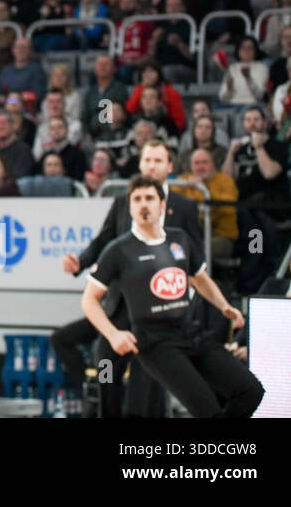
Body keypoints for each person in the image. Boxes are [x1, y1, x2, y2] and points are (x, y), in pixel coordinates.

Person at [82, 175, 264, 418]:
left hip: (191, 330)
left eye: (149, 198)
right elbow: (89, 299)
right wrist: (113, 334)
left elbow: (199, 278)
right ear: (130, 207)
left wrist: (224, 306)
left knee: (251, 391)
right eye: (136, 199)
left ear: (163, 206)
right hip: (155, 341)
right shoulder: (119, 249)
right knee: (208, 411)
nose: (143, 204)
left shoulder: (180, 238)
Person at [55, 138, 202, 416]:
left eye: (158, 160)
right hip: (120, 305)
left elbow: (197, 260)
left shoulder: (184, 207)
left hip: (162, 312)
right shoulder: (124, 201)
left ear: (169, 166)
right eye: (147, 159)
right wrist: (80, 263)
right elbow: (103, 240)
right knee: (107, 373)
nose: (151, 165)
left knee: (147, 388)